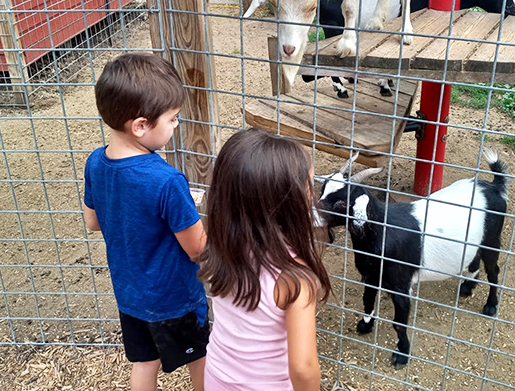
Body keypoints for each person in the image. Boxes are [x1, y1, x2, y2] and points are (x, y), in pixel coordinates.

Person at [83, 53, 208, 391]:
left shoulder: (96, 162)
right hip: (174, 297)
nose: (176, 125)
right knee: (200, 354)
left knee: (144, 362)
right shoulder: (166, 181)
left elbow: (93, 221)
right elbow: (197, 248)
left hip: (130, 293)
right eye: (172, 119)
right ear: (140, 125)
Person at [199, 128, 332, 391]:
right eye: (308, 183)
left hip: (217, 377)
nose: (312, 191)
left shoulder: (221, 245)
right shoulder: (294, 278)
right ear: (285, 200)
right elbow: (303, 369)